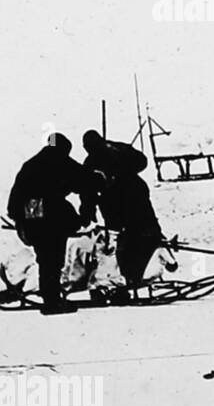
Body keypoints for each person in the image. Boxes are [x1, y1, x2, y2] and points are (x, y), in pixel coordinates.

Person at [6, 133, 97, 313]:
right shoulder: (60, 161)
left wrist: (19, 220)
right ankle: (52, 301)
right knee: (53, 259)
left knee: (46, 258)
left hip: (31, 214)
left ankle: (51, 297)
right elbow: (84, 179)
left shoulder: (31, 164)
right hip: (50, 216)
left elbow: (16, 198)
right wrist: (100, 179)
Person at [82, 131, 160, 287]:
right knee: (121, 239)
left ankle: (139, 271)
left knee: (139, 234)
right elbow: (88, 189)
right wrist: (88, 209)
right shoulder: (92, 161)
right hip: (115, 203)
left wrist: (121, 170)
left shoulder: (116, 150)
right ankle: (125, 275)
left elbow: (141, 161)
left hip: (130, 198)